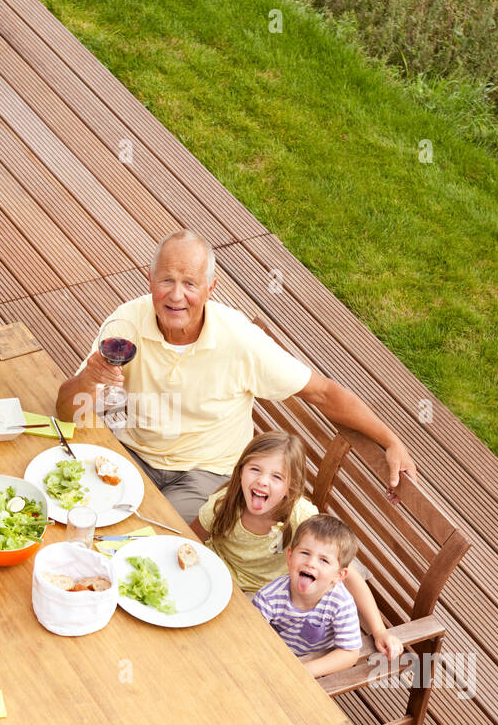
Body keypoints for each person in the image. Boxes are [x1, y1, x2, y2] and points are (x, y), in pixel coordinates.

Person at [55, 229, 416, 521]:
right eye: (166, 280)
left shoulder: (240, 340)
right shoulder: (126, 323)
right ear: (149, 280)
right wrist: (89, 378)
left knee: (156, 543)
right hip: (132, 453)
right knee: (78, 512)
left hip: (205, 474)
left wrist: (391, 440)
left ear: (210, 290)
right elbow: (67, 412)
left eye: (190, 283)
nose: (176, 295)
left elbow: (322, 393)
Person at [253, 514, 403, 678]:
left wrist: (304, 671)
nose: (311, 563)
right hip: (270, 660)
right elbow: (251, 634)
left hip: (314, 669)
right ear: (289, 556)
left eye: (324, 560)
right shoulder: (268, 597)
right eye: (304, 553)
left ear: (339, 575)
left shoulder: (341, 604)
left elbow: (349, 652)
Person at [188, 431, 317, 592]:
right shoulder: (223, 503)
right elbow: (190, 539)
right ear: (241, 471)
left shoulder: (302, 517)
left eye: (277, 477)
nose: (262, 481)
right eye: (255, 469)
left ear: (290, 488)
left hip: (260, 595)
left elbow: (338, 562)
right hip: (213, 572)